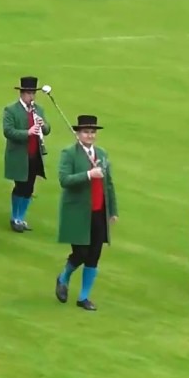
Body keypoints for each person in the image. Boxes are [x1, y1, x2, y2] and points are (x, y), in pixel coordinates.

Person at [54, 114, 118, 311]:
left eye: (92, 132)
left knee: (94, 255)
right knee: (81, 252)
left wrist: (113, 210)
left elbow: (108, 184)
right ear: (78, 134)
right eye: (86, 132)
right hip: (78, 212)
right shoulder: (69, 153)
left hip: (99, 211)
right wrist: (89, 174)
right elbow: (64, 180)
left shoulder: (102, 154)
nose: (90, 135)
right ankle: (63, 277)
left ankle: (84, 297)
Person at [3, 76, 50, 232]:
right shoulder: (11, 110)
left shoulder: (38, 110)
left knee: (29, 188)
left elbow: (47, 130)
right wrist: (27, 133)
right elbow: (8, 131)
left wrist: (43, 125)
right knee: (20, 187)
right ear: (22, 93)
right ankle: (15, 217)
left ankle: (21, 217)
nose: (32, 96)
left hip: (34, 155)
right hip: (19, 156)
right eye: (29, 93)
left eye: (33, 93)